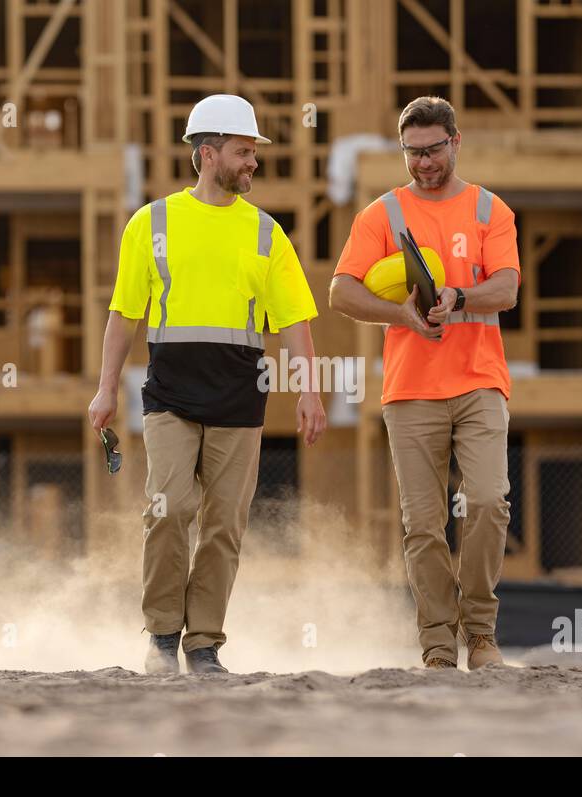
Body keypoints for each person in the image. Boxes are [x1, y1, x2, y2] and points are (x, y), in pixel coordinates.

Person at [88, 94, 326, 674]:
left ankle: (204, 646)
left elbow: (295, 321)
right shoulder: (151, 224)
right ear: (207, 153)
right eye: (244, 152)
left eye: (253, 153)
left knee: (224, 526)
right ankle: (163, 638)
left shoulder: (267, 234)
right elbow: (125, 314)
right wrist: (105, 388)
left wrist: (311, 392)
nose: (253, 163)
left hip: (239, 403)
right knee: (168, 510)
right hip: (170, 397)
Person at [328, 96, 520, 670]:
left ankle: (480, 633)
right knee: (423, 525)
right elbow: (341, 291)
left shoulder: (490, 211)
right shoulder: (381, 215)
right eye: (411, 153)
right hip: (410, 390)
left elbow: (507, 289)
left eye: (433, 150)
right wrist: (400, 316)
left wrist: (457, 297)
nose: (423, 163)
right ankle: (438, 644)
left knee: (487, 501)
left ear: (456, 142)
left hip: (480, 380)